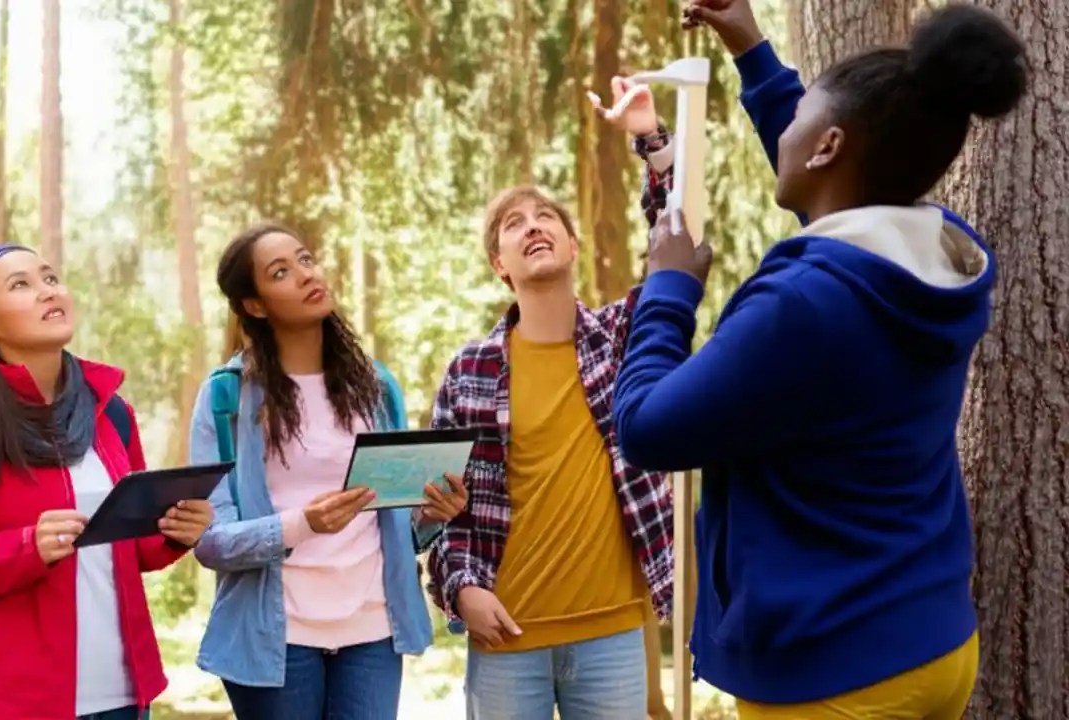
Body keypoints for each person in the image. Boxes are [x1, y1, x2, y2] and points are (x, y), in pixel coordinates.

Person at [614, 2, 1028, 718]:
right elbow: (838, 187)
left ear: (830, 145)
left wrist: (668, 289)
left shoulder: (803, 305)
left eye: (802, 110)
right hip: (935, 643)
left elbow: (647, 427)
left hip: (836, 669)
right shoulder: (929, 257)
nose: (790, 122)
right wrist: (750, 48)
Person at [425, 78, 677, 720]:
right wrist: (460, 592)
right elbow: (445, 504)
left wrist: (650, 140)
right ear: (499, 265)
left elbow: (678, 247)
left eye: (546, 220)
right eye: (514, 225)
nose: (532, 227)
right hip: (506, 634)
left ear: (572, 246)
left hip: (614, 633)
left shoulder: (622, 338)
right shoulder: (469, 370)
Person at [0, 244, 213, 720]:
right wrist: (24, 548)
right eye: (20, 285)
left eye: (49, 278)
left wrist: (175, 530)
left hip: (125, 696)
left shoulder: (113, 414)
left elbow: (131, 548)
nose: (47, 291)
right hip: (10, 704)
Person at [188, 225, 470, 720]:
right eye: (281, 272)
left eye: (305, 259)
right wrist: (303, 524)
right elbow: (211, 541)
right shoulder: (226, 397)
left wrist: (430, 515)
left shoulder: (377, 387)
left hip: (373, 631)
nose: (304, 275)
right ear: (254, 305)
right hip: (277, 636)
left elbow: (395, 525)